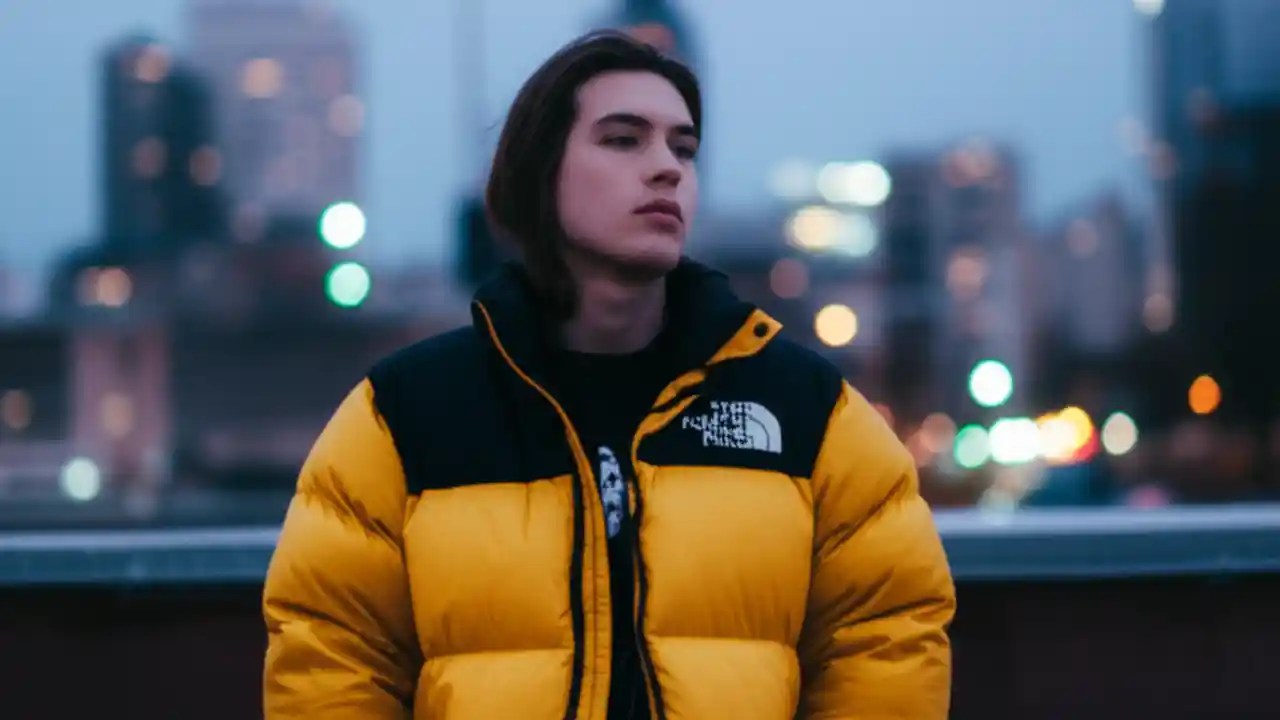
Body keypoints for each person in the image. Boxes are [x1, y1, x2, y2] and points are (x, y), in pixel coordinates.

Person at [263, 30, 955, 719]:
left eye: (682, 148)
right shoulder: (405, 415)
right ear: (541, 173)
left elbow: (886, 636)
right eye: (624, 140)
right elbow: (330, 655)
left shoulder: (806, 410)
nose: (667, 169)